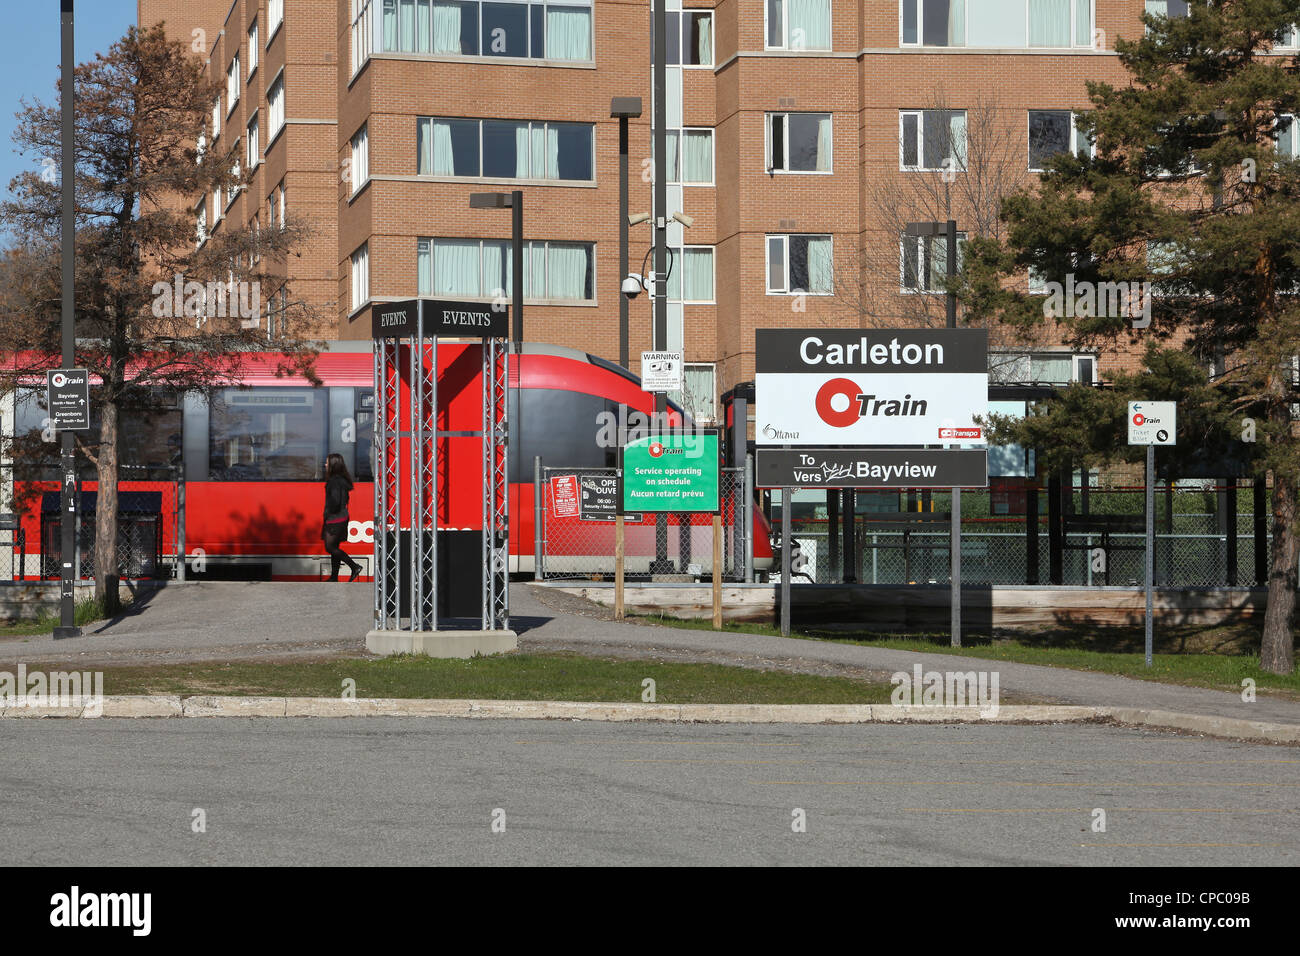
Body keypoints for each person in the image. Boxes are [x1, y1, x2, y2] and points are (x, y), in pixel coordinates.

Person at [322, 452, 362, 582]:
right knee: (335, 547)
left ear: (333, 465)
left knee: (330, 547)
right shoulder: (342, 480)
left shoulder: (334, 481)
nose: (325, 464)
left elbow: (335, 501)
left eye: (327, 462)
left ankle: (354, 566)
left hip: (335, 518)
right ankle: (334, 577)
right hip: (342, 517)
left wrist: (328, 514)